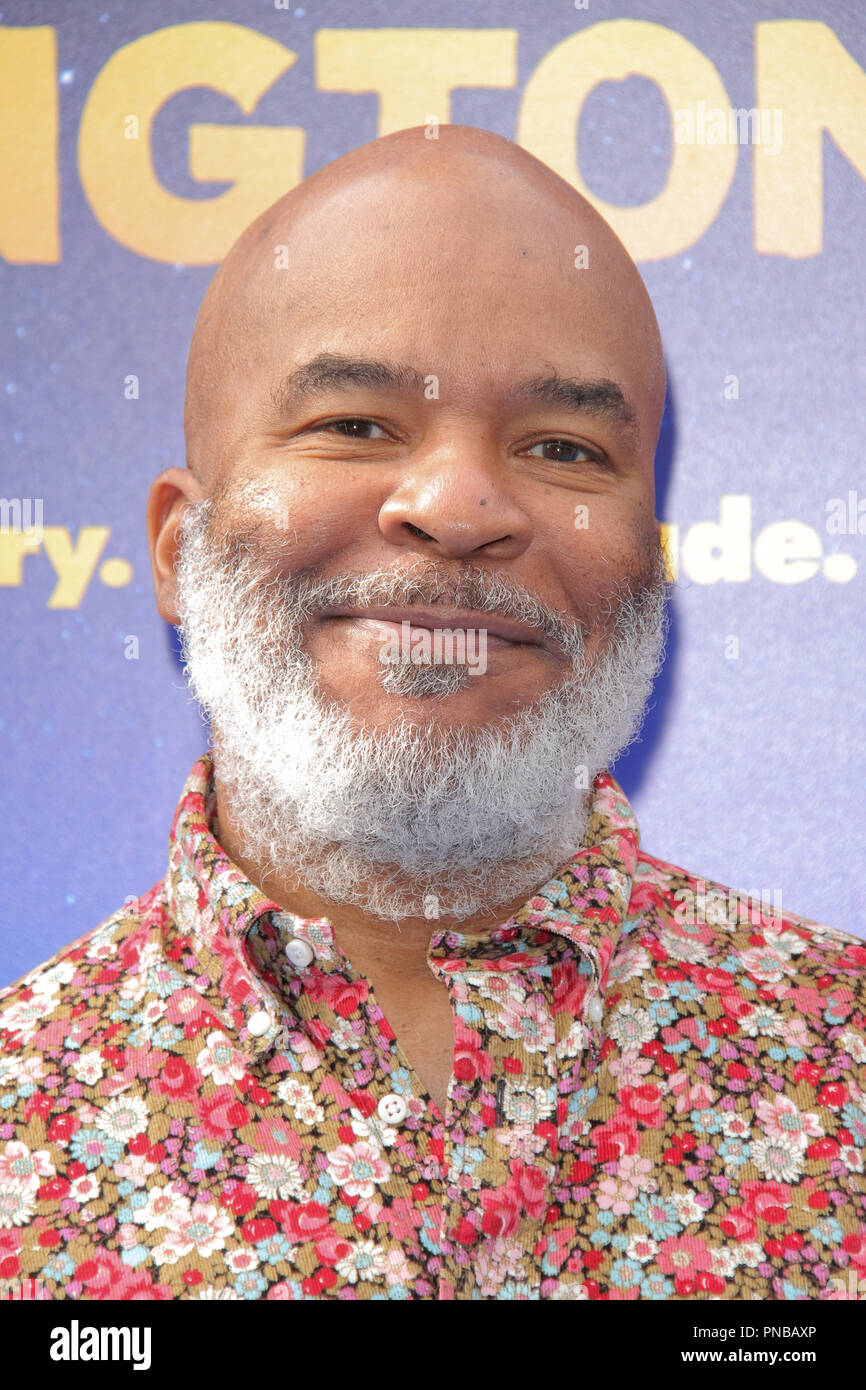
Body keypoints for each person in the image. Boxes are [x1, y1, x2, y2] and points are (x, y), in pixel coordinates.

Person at [1, 125, 864, 1303]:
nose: (458, 506)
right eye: (354, 423)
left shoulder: (840, 1063)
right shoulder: (20, 1123)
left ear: (651, 568)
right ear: (175, 550)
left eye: (560, 446)